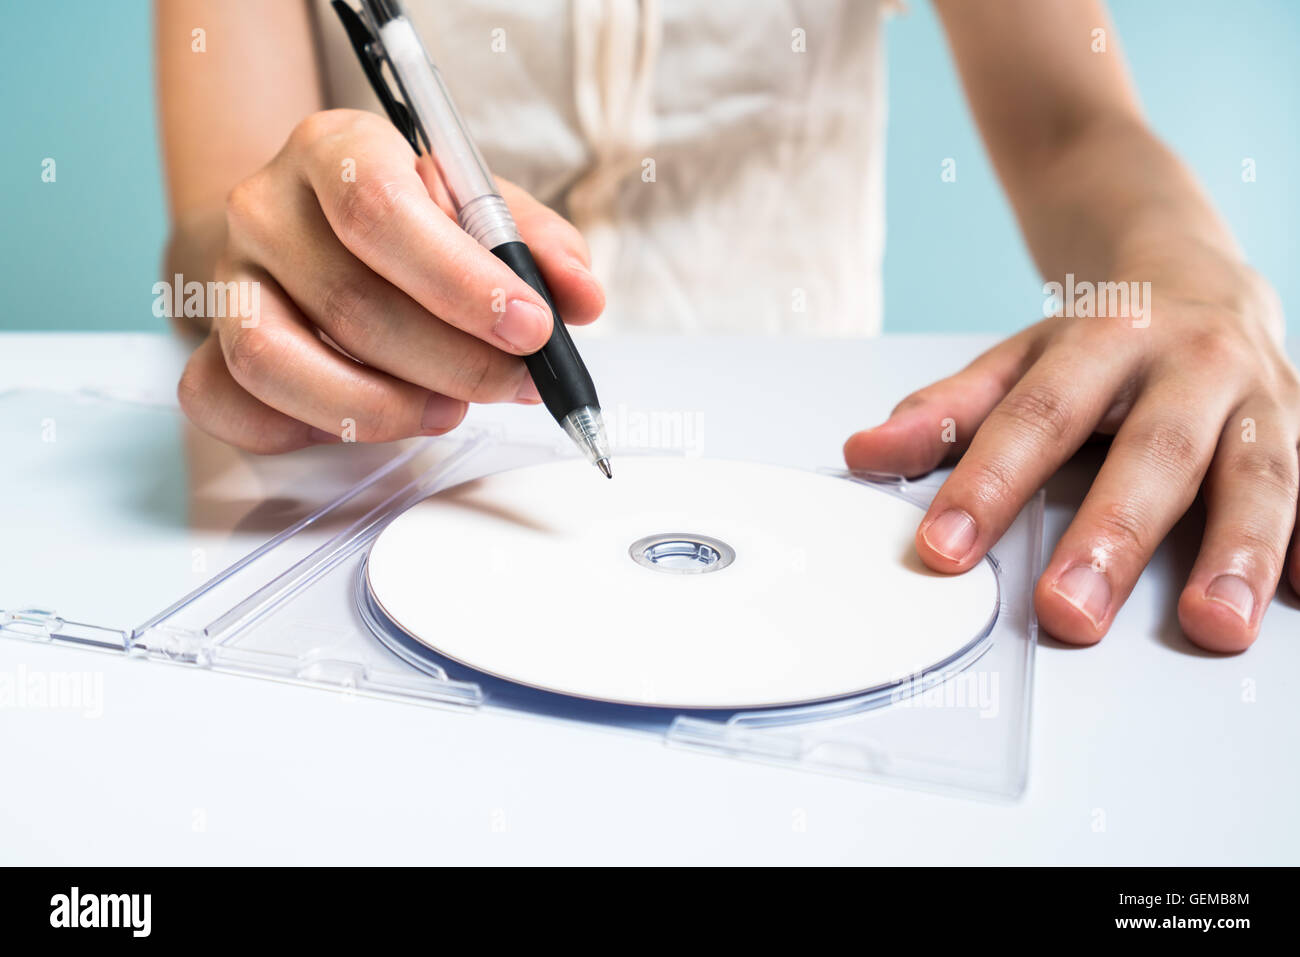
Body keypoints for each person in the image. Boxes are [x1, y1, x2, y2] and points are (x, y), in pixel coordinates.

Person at [156, 0, 1299, 653]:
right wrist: (269, 271)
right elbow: (211, 236)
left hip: (822, 459)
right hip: (401, 477)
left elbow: (1069, 124)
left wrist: (1195, 276)